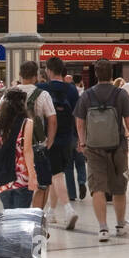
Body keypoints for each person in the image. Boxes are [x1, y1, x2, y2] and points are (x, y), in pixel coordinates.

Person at [75, 58, 129, 242]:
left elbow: (80, 123)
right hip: (117, 147)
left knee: (98, 188)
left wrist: (82, 143)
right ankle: (120, 224)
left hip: (94, 148)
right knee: (119, 188)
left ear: (95, 74)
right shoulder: (120, 94)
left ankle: (103, 228)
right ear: (111, 74)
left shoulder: (87, 96)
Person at [38, 56, 82, 226]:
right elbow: (77, 115)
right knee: (57, 174)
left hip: (49, 137)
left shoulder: (42, 88)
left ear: (48, 71)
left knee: (56, 175)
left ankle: (68, 208)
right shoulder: (71, 90)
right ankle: (51, 212)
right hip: (67, 137)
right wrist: (78, 138)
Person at [13, 60, 56, 205]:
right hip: (37, 145)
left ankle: (19, 216)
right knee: (42, 185)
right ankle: (36, 219)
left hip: (14, 147)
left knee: (17, 184)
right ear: (35, 76)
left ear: (20, 75)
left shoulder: (9, 93)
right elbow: (52, 119)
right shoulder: (42, 95)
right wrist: (49, 141)